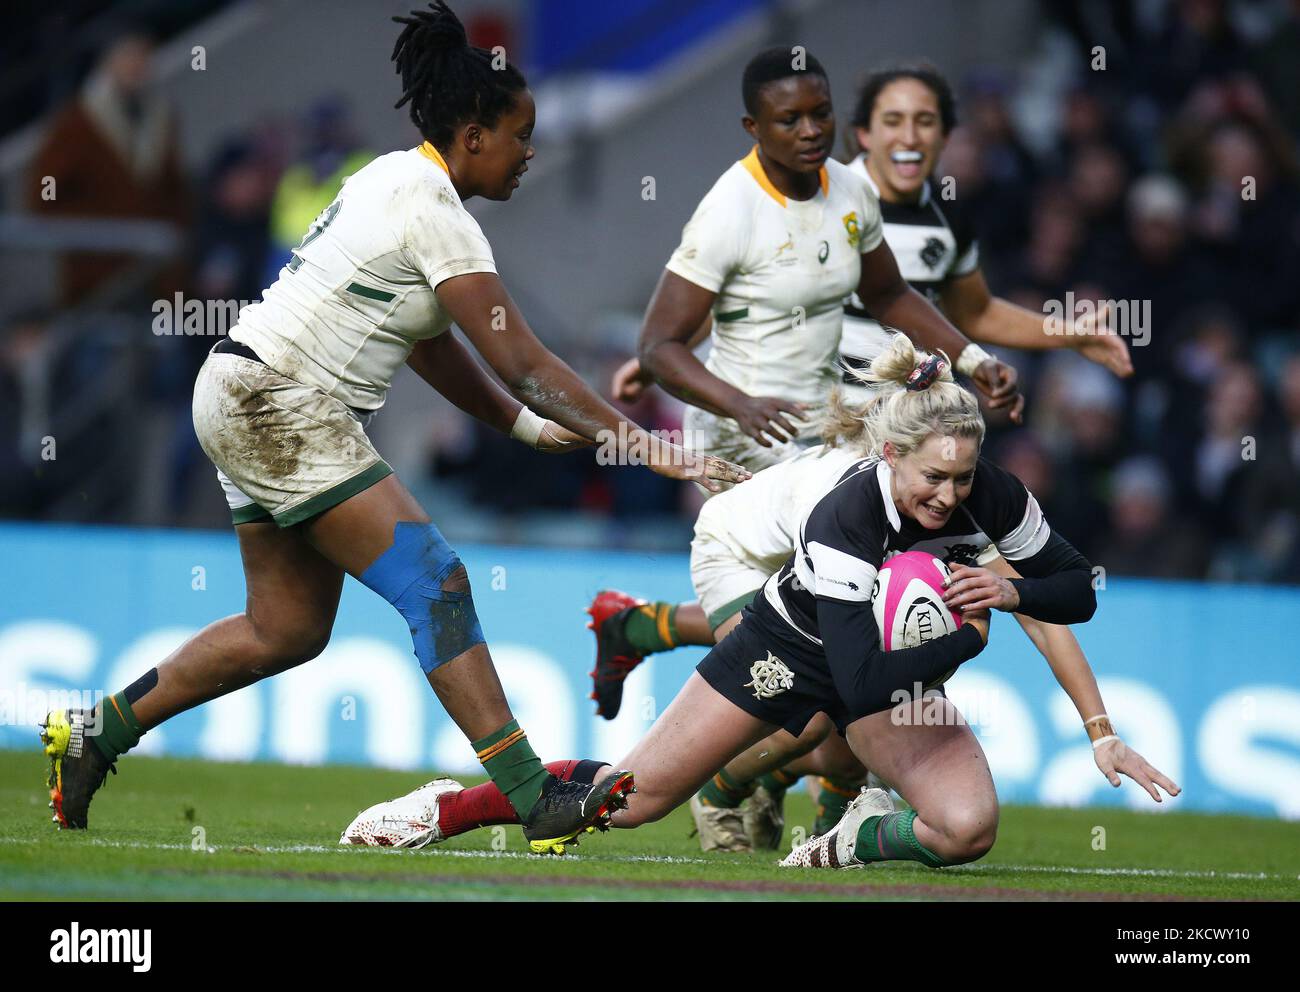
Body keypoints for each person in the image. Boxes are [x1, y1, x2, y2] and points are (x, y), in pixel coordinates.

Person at [38, 1, 746, 856]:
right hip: (281, 400)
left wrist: (523, 428)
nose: (532, 152)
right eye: (520, 134)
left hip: (244, 387)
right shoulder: (432, 210)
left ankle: (97, 730)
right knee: (436, 579)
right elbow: (525, 360)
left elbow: (432, 347)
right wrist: (646, 446)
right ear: (473, 133)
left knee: (285, 630)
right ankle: (530, 794)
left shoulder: (389, 181)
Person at [344, 338, 1178, 868]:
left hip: (890, 669)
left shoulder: (992, 497)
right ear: (891, 455)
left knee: (967, 830)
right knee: (634, 801)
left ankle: (847, 839)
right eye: (932, 477)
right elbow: (854, 682)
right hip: (791, 647)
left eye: (962, 477)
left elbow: (1076, 594)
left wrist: (1011, 586)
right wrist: (967, 637)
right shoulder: (846, 517)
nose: (947, 495)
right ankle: (445, 809)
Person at [588, 51, 1029, 723]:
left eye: (819, 113)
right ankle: (740, 781)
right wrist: (736, 402)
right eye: (788, 119)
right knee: (797, 639)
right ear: (752, 127)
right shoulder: (729, 211)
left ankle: (643, 630)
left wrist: (968, 356)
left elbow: (887, 291)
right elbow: (660, 341)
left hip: (824, 426)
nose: (809, 130)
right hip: (738, 435)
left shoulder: (850, 193)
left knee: (827, 615)